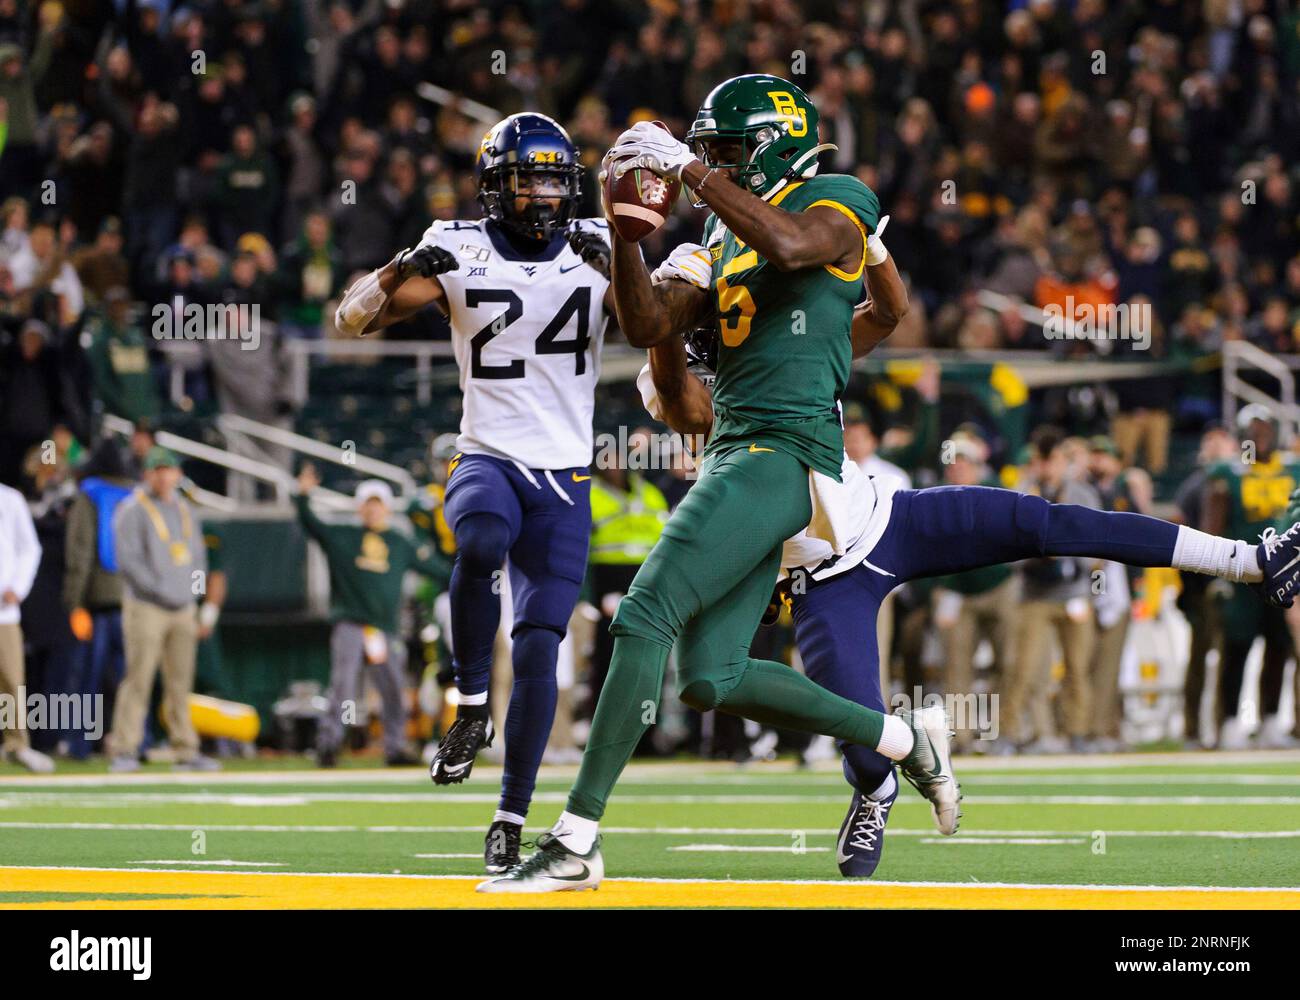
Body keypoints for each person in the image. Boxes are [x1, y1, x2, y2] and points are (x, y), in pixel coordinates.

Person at [482, 76, 958, 891]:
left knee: (643, 615)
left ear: (774, 142)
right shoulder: (719, 238)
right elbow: (646, 327)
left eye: (722, 152)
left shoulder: (832, 197)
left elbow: (801, 249)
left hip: (784, 452)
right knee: (711, 677)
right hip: (733, 451)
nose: (707, 165)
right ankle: (903, 742)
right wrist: (631, 236)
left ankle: (576, 839)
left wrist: (694, 178)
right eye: (703, 153)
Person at [333, 112, 615, 874]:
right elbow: (351, 319)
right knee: (481, 540)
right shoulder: (455, 245)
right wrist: (395, 268)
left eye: (557, 180)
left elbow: (660, 329)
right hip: (487, 453)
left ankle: (511, 815)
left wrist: (629, 270)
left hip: (567, 476)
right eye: (529, 180)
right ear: (496, 185)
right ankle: (467, 706)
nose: (544, 196)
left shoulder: (601, 245)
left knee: (540, 650)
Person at [295, 465, 445, 767]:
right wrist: (302, 497)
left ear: (387, 508)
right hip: (351, 622)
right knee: (343, 686)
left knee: (393, 688)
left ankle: (395, 747)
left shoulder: (400, 542)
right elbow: (312, 525)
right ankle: (329, 744)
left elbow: (436, 569)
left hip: (384, 628)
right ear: (360, 507)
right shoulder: (345, 536)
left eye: (378, 504)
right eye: (368, 504)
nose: (373, 510)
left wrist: (470, 572)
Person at [106, 447, 215, 772]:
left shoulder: (185, 509)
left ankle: (185, 749)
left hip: (183, 608)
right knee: (139, 678)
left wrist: (194, 598)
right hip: (147, 606)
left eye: (169, 470)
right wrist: (163, 591)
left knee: (180, 681)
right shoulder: (132, 510)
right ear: (147, 474)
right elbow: (129, 561)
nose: (165, 476)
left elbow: (198, 558)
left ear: (178, 474)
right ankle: (124, 748)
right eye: (158, 470)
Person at [0, 479, 53, 772]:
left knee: (10, 680)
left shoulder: (9, 499)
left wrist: (17, 587)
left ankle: (16, 744)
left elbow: (29, 548)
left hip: (3, 611)